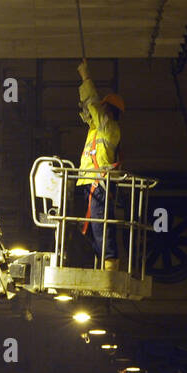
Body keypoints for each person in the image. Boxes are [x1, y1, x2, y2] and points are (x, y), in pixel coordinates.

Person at [75, 61, 124, 271]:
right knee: (91, 227)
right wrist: (83, 87)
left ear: (109, 109)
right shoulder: (97, 129)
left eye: (103, 106)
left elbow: (94, 106)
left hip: (99, 184)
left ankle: (110, 260)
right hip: (89, 182)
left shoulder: (110, 128)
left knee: (100, 222)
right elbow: (89, 109)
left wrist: (86, 78)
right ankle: (103, 260)